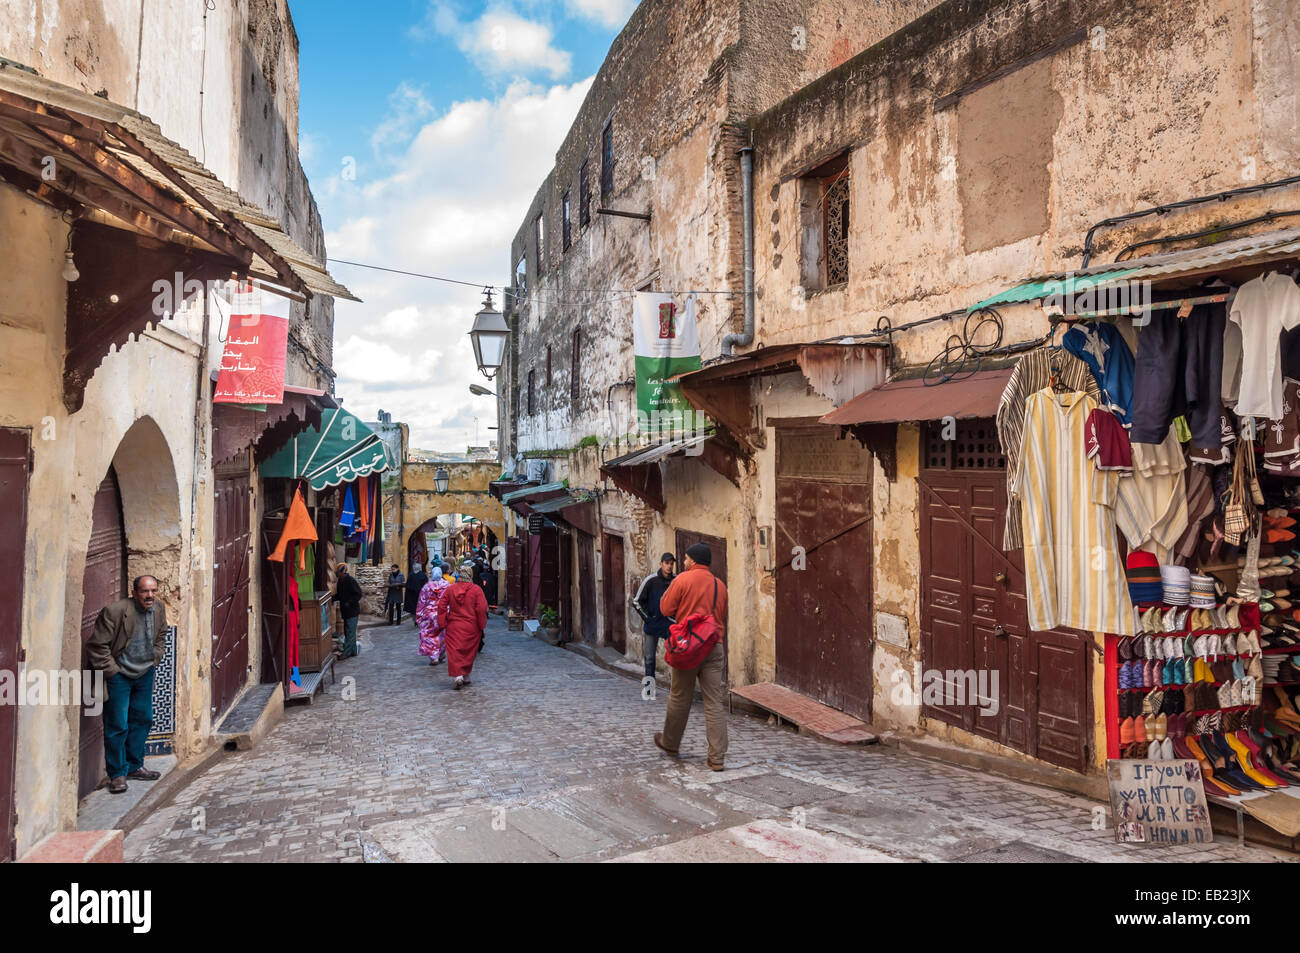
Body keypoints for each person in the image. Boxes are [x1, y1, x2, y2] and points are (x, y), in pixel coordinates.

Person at [86, 575, 169, 794]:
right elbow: (97, 646)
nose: (149, 595)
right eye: (144, 591)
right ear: (134, 593)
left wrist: (156, 657)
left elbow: (162, 633)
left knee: (142, 719)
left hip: (145, 673)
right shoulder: (114, 612)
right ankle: (117, 774)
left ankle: (134, 766)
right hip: (120, 676)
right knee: (117, 724)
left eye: (153, 590)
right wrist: (113, 672)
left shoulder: (159, 608)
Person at [654, 542, 729, 771]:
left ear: (694, 561)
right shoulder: (720, 585)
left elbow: (665, 608)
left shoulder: (683, 580)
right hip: (714, 646)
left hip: (688, 647)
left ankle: (670, 743)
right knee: (714, 702)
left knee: (679, 697)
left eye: (686, 559)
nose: (683, 562)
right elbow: (721, 615)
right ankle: (717, 758)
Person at [435, 561, 488, 690]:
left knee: (455, 651)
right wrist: (482, 624)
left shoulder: (451, 589)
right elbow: (482, 608)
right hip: (471, 626)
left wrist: (442, 622)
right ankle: (466, 675)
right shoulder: (476, 590)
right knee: (469, 651)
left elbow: (441, 605)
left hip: (454, 625)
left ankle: (458, 675)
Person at [634, 552, 676, 679]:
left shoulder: (676, 580)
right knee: (649, 659)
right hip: (652, 625)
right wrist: (648, 619)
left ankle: (675, 691)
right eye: (667, 563)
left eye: (671, 564)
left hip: (670, 626)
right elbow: (636, 601)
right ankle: (649, 690)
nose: (669, 566)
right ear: (661, 564)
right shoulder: (650, 580)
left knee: (676, 658)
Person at [415, 565, 451, 665]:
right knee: (442, 635)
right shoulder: (447, 586)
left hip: (429, 615)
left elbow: (421, 602)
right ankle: (441, 653)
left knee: (429, 635)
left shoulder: (426, 587)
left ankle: (433, 656)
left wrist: (419, 616)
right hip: (443, 613)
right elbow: (450, 600)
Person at [334, 562, 363, 658]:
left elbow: (358, 594)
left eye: (337, 572)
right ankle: (353, 651)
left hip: (352, 610)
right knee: (349, 631)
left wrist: (349, 602)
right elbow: (340, 595)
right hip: (346, 610)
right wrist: (332, 598)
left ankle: (346, 653)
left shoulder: (350, 580)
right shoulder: (340, 581)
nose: (336, 574)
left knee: (350, 631)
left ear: (342, 571)